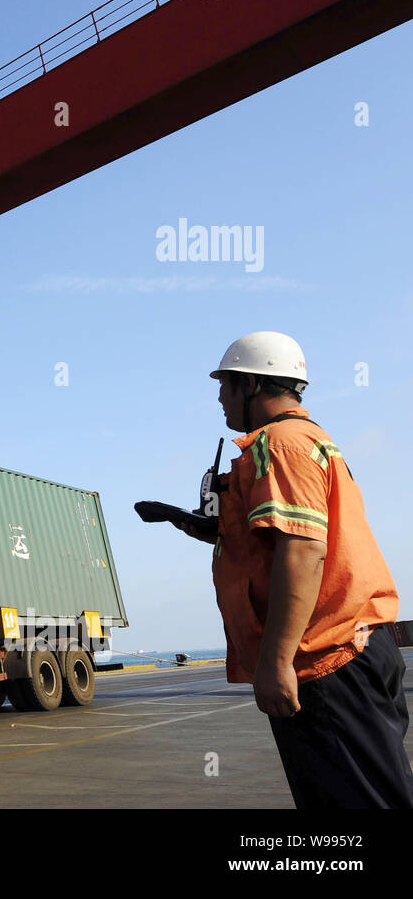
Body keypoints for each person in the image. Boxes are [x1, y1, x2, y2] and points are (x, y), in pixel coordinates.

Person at [186, 330, 413, 807]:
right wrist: (212, 530)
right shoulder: (306, 441)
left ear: (251, 385)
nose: (219, 398)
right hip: (344, 650)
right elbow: (279, 544)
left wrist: (276, 662)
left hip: (328, 658)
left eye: (226, 385)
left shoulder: (281, 445)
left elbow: (303, 551)